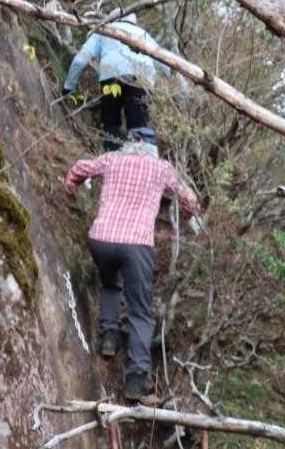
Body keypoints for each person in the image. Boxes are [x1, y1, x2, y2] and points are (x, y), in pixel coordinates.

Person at [64, 132, 203, 404]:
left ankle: (108, 337)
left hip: (102, 238)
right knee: (140, 311)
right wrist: (187, 214)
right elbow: (190, 199)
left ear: (129, 145)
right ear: (152, 150)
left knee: (109, 283)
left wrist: (71, 184)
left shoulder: (113, 159)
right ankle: (137, 379)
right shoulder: (161, 168)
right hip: (136, 245)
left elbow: (82, 167)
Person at [61, 14, 170, 145]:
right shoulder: (144, 35)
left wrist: (68, 87)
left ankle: (110, 154)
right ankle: (138, 159)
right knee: (139, 126)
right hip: (142, 78)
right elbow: (165, 64)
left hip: (112, 73)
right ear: (134, 23)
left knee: (110, 122)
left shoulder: (105, 30)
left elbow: (80, 60)